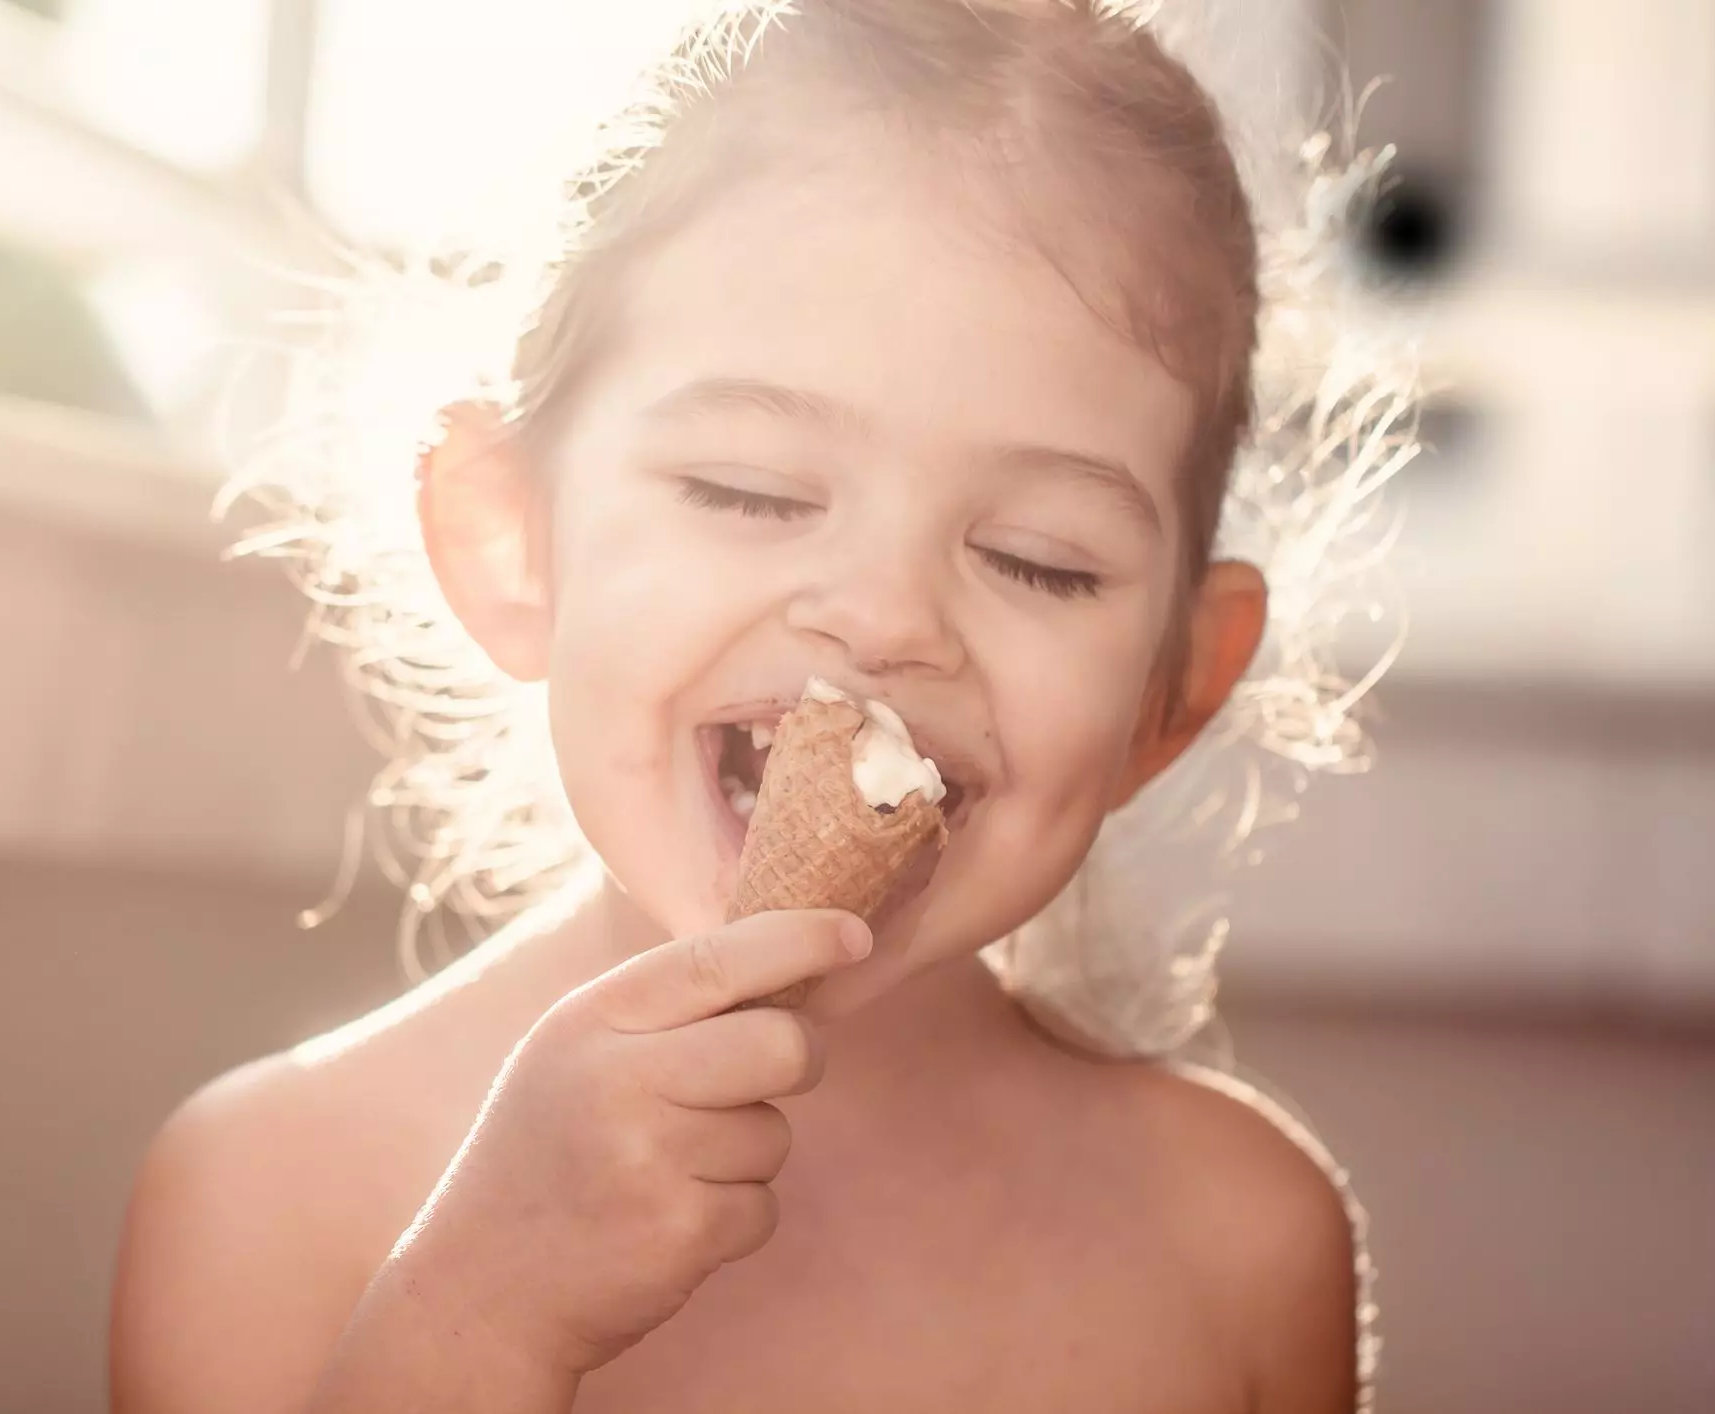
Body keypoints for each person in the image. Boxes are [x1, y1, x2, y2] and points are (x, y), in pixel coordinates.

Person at [110, 1, 1410, 1409]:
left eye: (1041, 558)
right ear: (512, 541)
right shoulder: (265, 1192)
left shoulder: (1241, 1243)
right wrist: (473, 1321)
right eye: (751, 489)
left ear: (1172, 696)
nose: (888, 615)